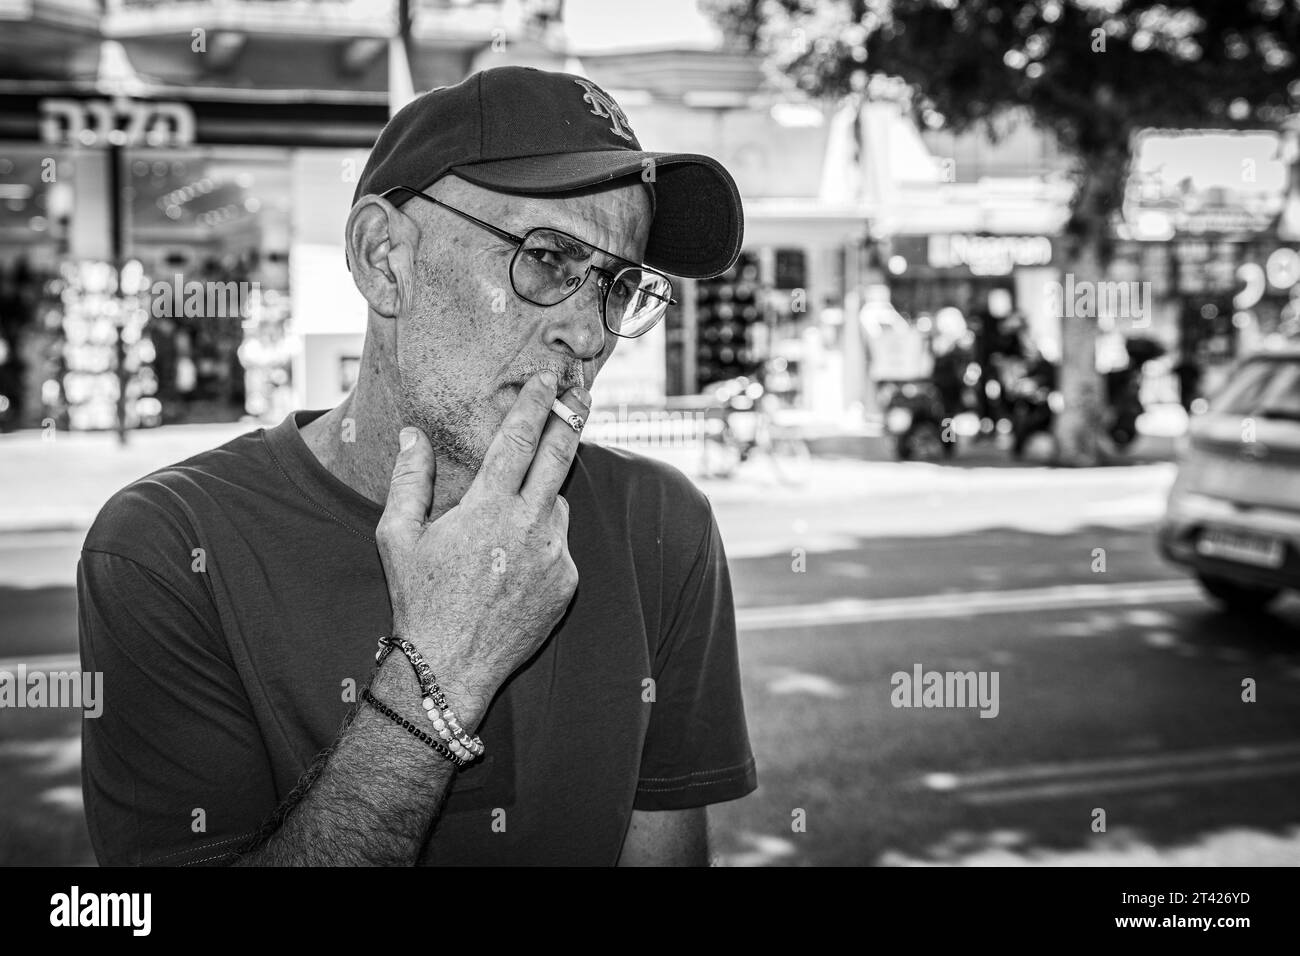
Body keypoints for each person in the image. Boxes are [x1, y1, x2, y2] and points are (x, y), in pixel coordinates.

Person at [78, 66, 757, 866]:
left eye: (616, 283)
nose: (589, 333)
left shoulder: (661, 525)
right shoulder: (167, 548)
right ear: (382, 259)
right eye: (547, 257)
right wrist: (438, 671)